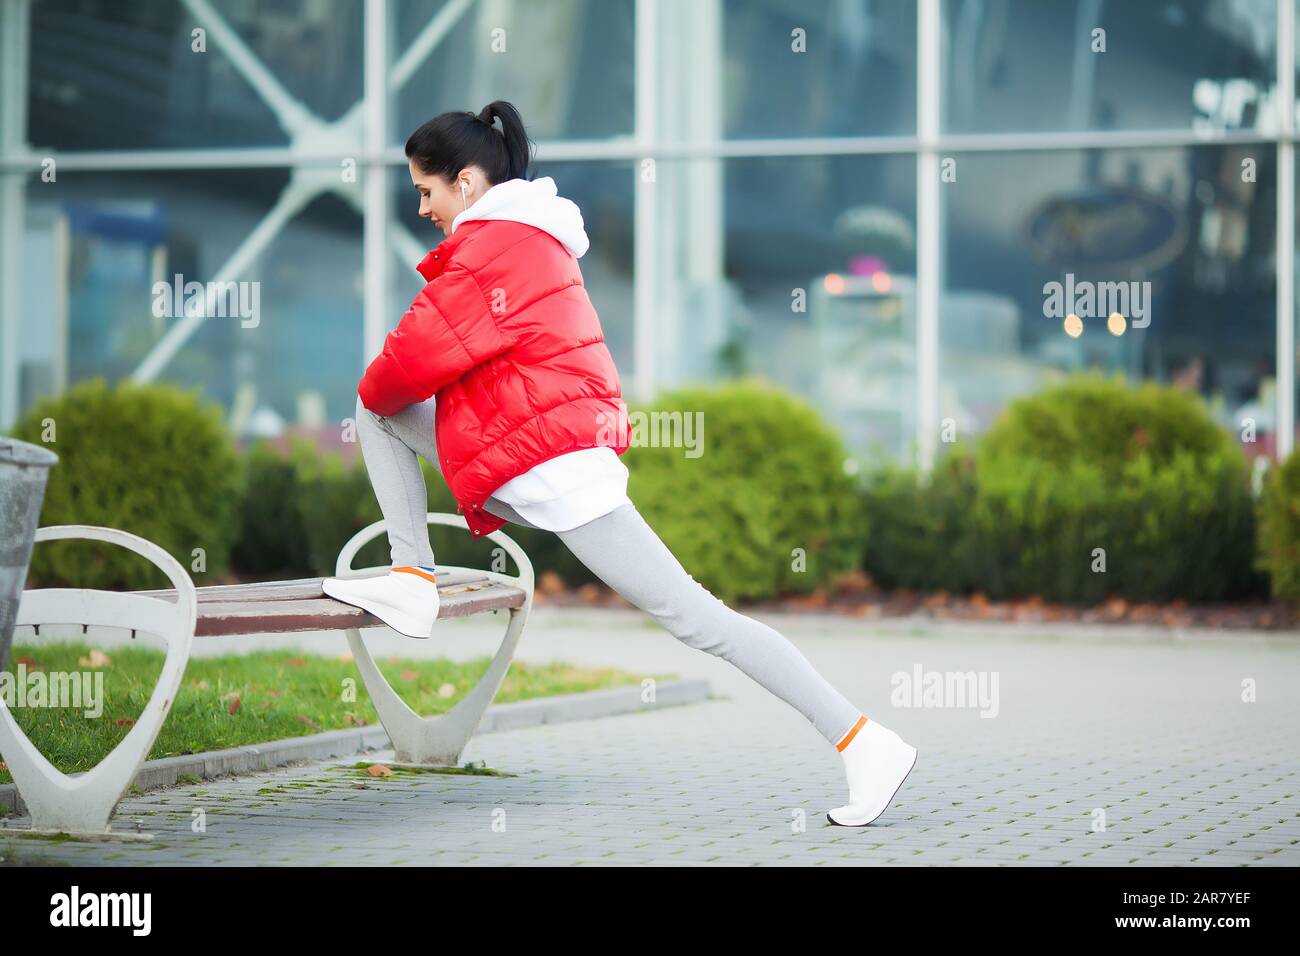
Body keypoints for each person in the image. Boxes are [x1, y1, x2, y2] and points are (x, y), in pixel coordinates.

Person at [322, 100, 917, 826]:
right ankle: (411, 575)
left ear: (468, 183)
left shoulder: (492, 250)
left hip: (559, 475)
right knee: (375, 411)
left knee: (701, 619)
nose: (423, 208)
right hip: (536, 465)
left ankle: (864, 740)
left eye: (427, 190)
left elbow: (400, 368)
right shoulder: (521, 240)